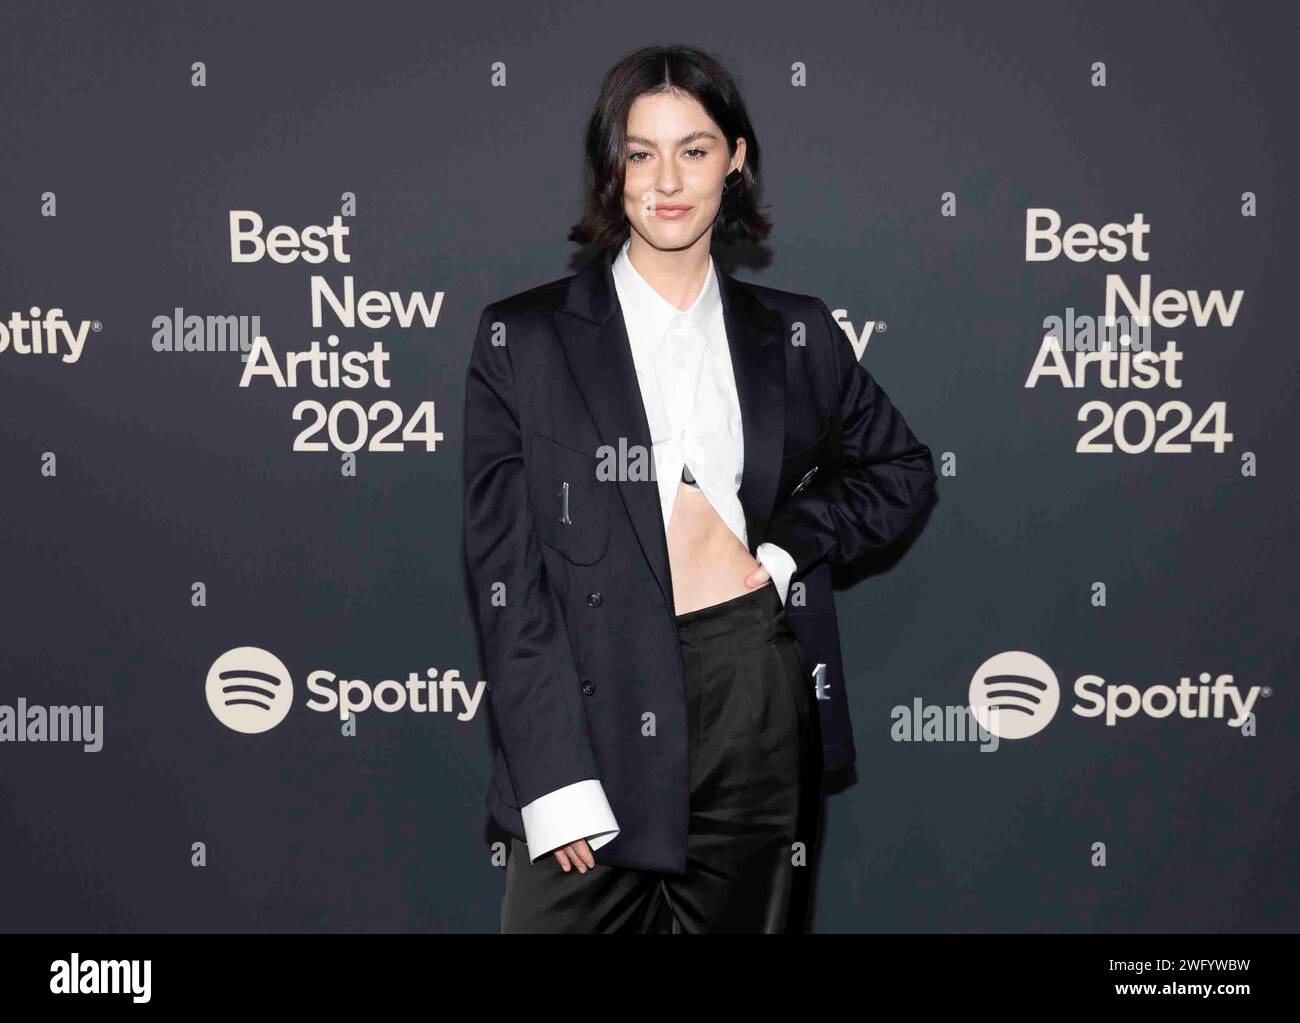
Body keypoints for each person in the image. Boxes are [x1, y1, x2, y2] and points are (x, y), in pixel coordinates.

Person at [462, 44, 937, 933]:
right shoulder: (523, 340)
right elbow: (506, 576)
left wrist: (789, 545)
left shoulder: (794, 334)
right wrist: (552, 773)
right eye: (641, 152)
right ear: (613, 169)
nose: (668, 179)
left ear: (736, 160)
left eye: (695, 148)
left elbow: (902, 470)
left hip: (749, 695)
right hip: (592, 698)